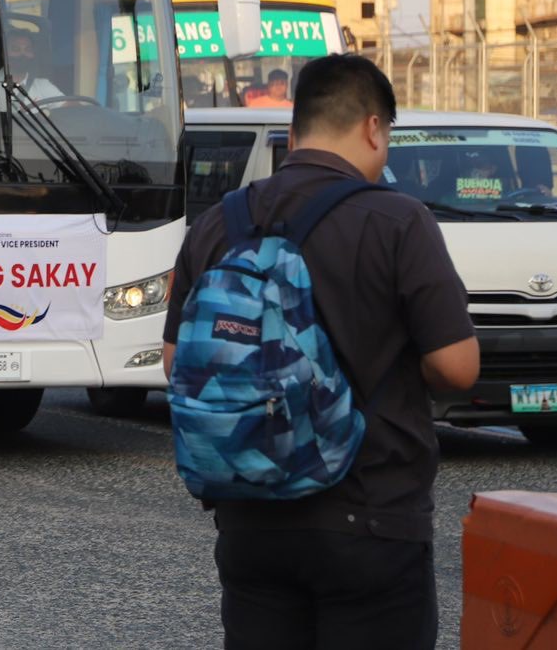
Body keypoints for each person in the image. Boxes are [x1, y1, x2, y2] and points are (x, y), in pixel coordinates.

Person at [162, 54, 479, 647]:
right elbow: (457, 368)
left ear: (293, 131)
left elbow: (177, 365)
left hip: (250, 523)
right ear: (374, 128)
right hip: (370, 518)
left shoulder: (220, 223)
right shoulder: (398, 219)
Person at [4, 30, 63, 102]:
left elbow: (69, 106)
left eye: (28, 50)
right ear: (5, 54)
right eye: (16, 49)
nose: (23, 54)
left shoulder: (43, 85)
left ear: (33, 54)